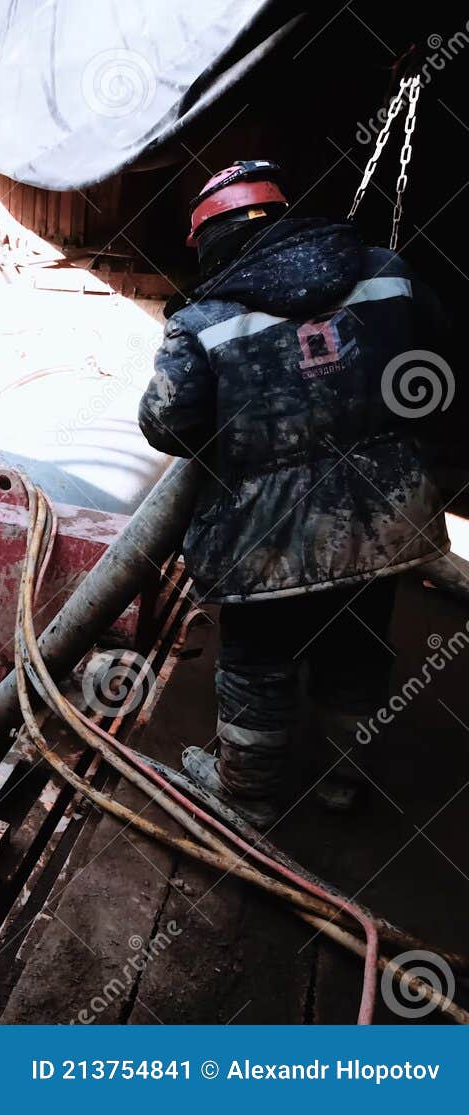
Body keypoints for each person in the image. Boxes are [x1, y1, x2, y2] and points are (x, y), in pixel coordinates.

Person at [137, 159, 451, 826]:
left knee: (257, 663)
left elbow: (165, 424)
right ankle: (343, 784)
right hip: (384, 520)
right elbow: (441, 364)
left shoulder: (203, 321)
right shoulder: (389, 273)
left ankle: (248, 797)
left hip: (263, 539)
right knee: (358, 649)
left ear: (210, 242)